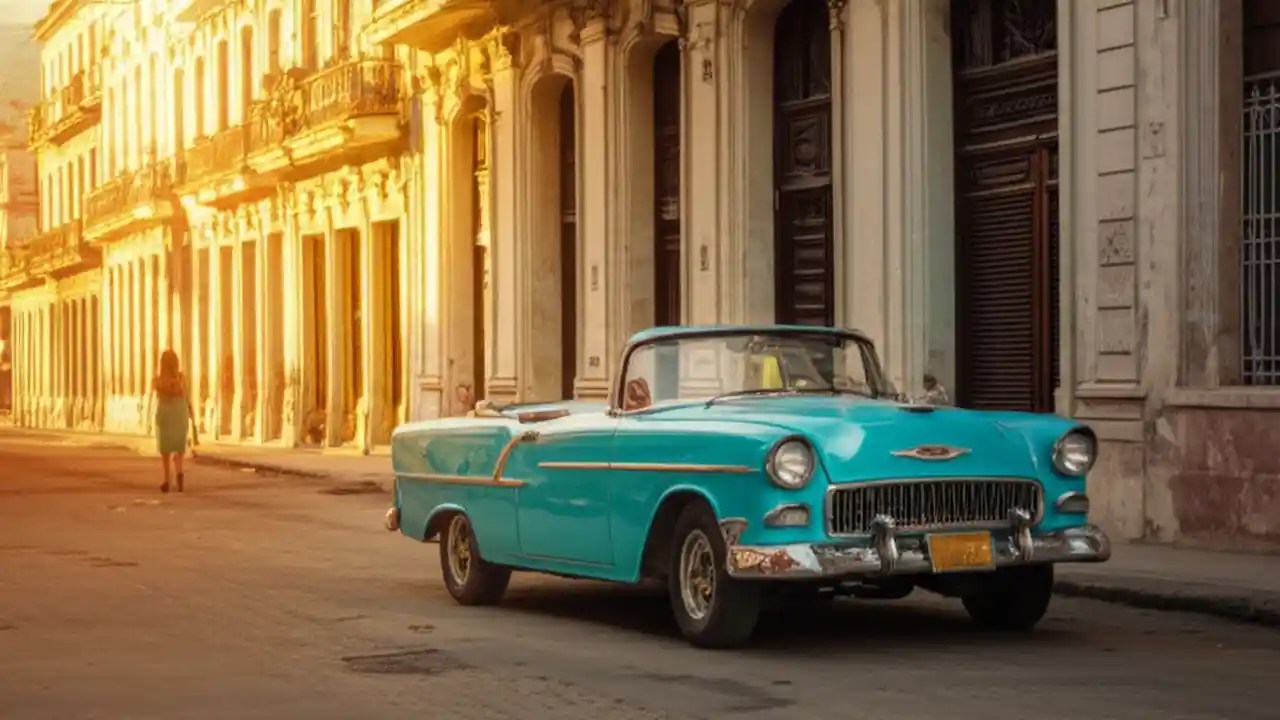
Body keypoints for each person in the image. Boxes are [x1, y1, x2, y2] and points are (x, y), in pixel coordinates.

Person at [153, 350, 195, 493]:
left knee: (165, 450)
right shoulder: (181, 379)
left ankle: (167, 480)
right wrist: (191, 413)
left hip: (165, 414)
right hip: (179, 413)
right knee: (179, 447)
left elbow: (159, 392)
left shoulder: (159, 380)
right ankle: (180, 474)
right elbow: (187, 395)